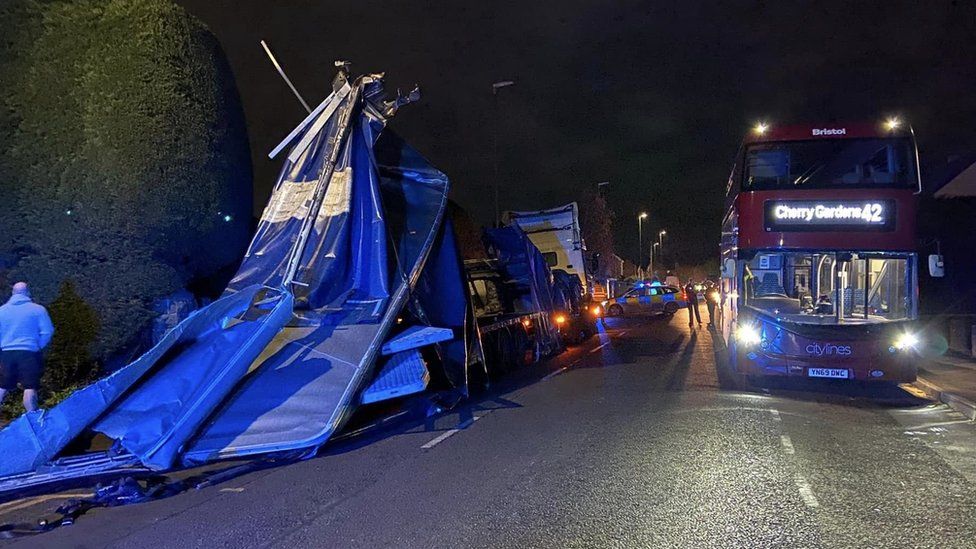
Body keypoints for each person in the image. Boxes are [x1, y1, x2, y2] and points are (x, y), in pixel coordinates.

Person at [0, 282, 55, 412]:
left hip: (6, 353)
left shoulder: (1, 311)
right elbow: (47, 331)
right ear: (28, 292)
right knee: (29, 387)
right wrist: (38, 346)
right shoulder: (38, 309)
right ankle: (32, 417)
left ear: (13, 293)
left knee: (2, 386)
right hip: (29, 353)